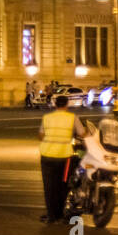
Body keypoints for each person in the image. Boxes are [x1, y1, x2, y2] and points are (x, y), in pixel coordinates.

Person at [38, 94, 87, 224]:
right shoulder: (72, 118)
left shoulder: (47, 117)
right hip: (64, 157)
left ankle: (51, 216)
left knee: (49, 187)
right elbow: (82, 134)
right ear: (67, 105)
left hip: (47, 156)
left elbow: (41, 135)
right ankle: (60, 215)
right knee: (63, 187)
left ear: (55, 105)